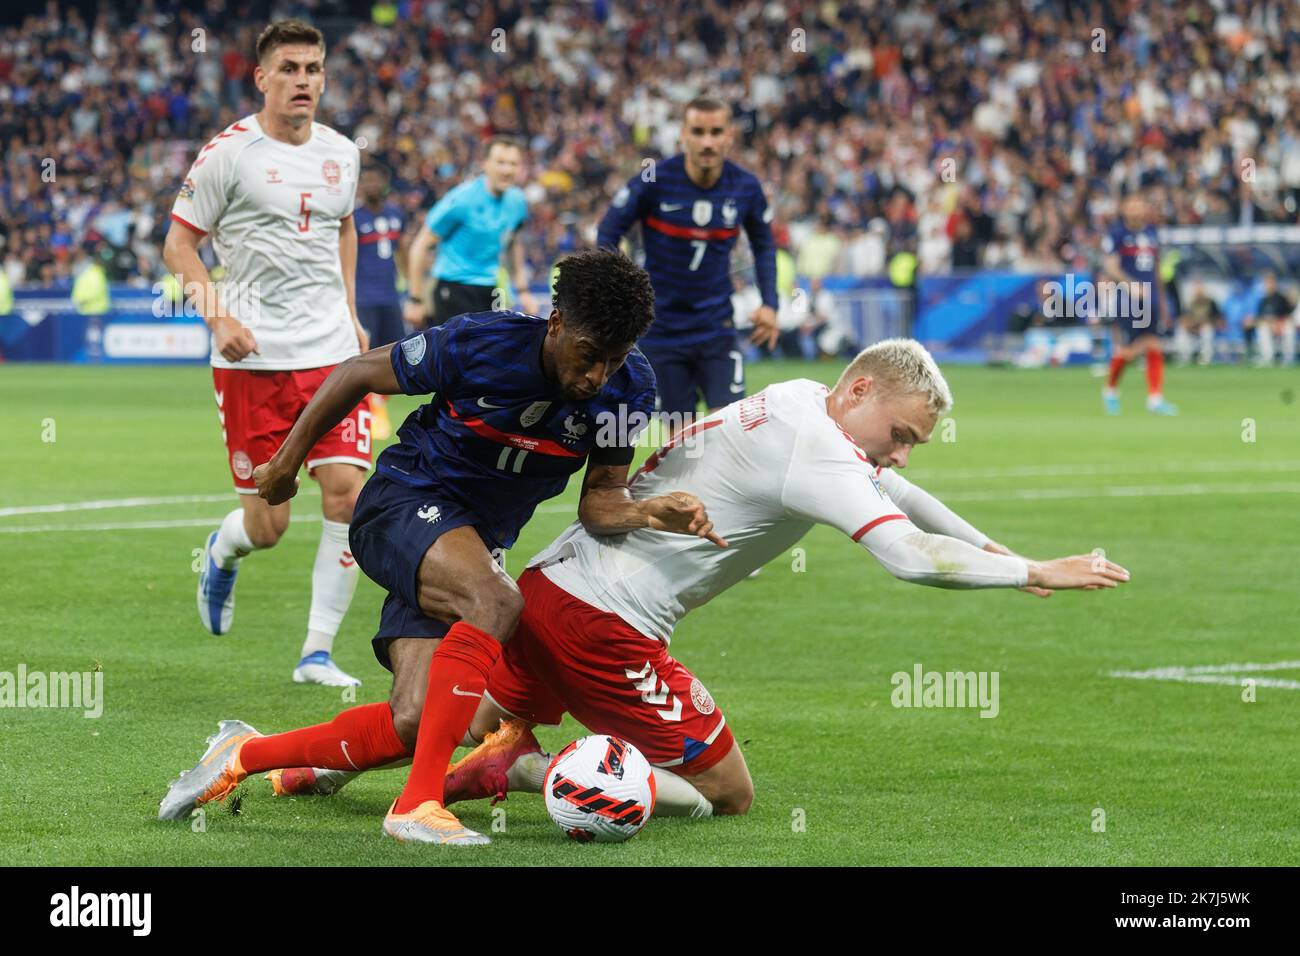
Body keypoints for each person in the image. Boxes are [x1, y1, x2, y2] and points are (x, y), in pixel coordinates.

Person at [259, 340, 1131, 820]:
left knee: (443, 721)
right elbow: (904, 554)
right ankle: (529, 777)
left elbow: (897, 490)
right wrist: (1024, 568)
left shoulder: (797, 397)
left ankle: (291, 767)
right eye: (898, 431)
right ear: (860, 389)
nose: (896, 453)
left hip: (554, 586)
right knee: (728, 793)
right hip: (608, 626)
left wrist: (1010, 562)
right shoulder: (820, 454)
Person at [158, 248, 728, 845]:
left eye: (611, 362)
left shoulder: (629, 389)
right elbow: (356, 372)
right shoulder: (482, 342)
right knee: (498, 602)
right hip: (402, 503)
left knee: (413, 721)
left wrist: (649, 511)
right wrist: (286, 460)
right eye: (588, 357)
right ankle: (418, 805)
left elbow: (601, 501)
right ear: (556, 323)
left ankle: (242, 753)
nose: (595, 378)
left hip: (469, 543)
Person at [162, 19, 372, 686]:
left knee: (346, 496)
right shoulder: (229, 154)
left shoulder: (343, 151)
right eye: (289, 69)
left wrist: (351, 310)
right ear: (262, 77)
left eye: (312, 68)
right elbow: (178, 246)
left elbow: (345, 226)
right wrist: (217, 317)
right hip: (254, 362)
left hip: (332, 353)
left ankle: (316, 652)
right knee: (270, 522)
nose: (303, 79)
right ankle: (225, 551)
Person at [597, 97, 779, 426]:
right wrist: (619, 293)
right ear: (683, 134)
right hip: (662, 327)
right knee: (681, 439)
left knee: (730, 429)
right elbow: (609, 231)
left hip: (716, 326)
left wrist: (771, 303)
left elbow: (765, 245)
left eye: (715, 132)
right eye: (698, 131)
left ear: (729, 135)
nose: (707, 142)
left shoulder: (746, 186)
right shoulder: (655, 179)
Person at [403, 137, 537, 328]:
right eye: (500, 162)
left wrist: (523, 289)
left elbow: (513, 242)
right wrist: (415, 299)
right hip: (454, 287)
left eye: (513, 164)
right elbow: (420, 245)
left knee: (492, 354)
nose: (507, 170)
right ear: (485, 163)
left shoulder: (517, 201)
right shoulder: (461, 200)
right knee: (457, 356)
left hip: (491, 288)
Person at [1098, 195, 1178, 415]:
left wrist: (1162, 302)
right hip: (1128, 299)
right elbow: (1111, 267)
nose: (1135, 210)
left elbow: (1156, 270)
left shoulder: (1152, 233)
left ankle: (1154, 399)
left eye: (1139, 206)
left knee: (1153, 345)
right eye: (1131, 206)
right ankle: (1110, 390)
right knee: (1130, 351)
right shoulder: (1117, 234)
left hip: (1150, 299)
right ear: (1124, 209)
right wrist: (1131, 285)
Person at [353, 163, 409, 439]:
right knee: (364, 354)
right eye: (367, 180)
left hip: (389, 296)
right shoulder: (353, 218)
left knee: (394, 352)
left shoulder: (396, 215)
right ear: (361, 185)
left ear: (385, 183)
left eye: (376, 179)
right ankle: (368, 407)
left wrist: (409, 284)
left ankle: (377, 401)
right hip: (363, 297)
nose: (372, 185)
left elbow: (403, 251)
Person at [1244, 272, 1296, 366]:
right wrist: (1253, 321)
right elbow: (1259, 317)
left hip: (1281, 326)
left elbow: (1288, 316)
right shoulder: (1262, 301)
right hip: (1267, 326)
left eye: (1271, 282)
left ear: (1275, 283)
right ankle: (1268, 358)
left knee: (1289, 329)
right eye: (1266, 283)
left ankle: (1288, 359)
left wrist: (1277, 323)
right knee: (1262, 328)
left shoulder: (1281, 299)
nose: (1268, 285)